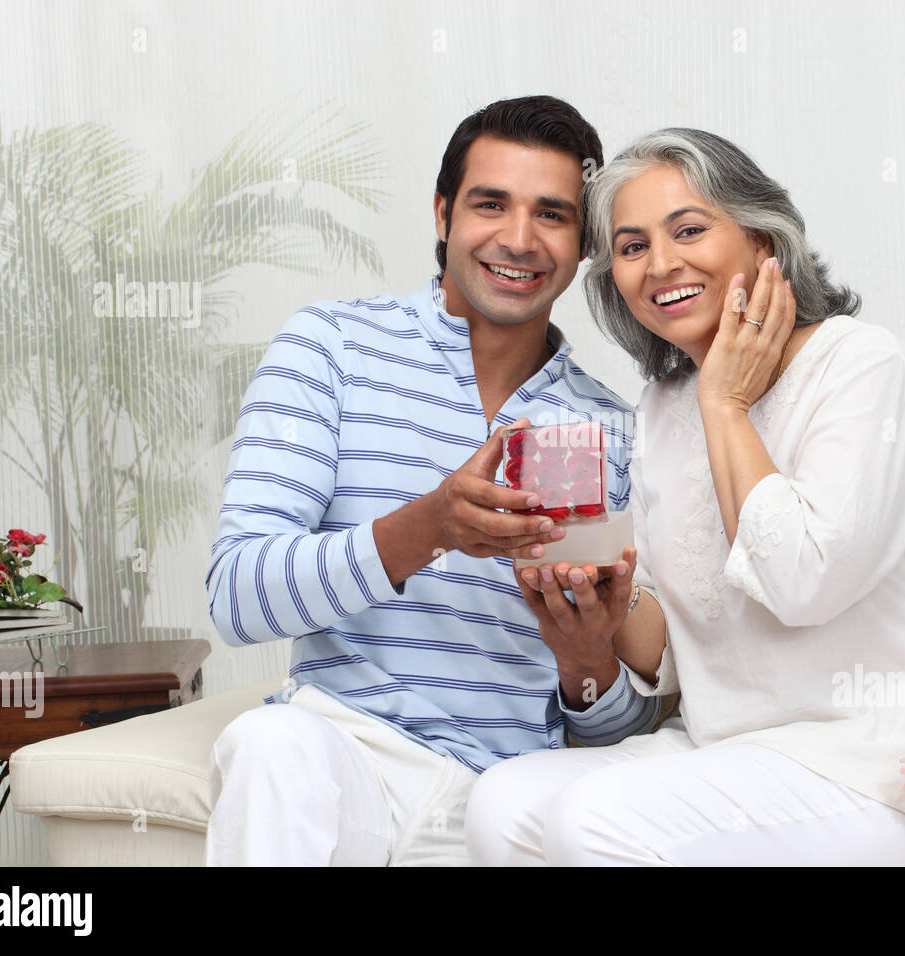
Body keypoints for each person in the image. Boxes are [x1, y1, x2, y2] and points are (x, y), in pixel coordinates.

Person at [464, 128, 905, 866]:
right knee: (503, 802)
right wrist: (597, 601)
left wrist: (726, 404)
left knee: (593, 820)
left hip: (888, 759)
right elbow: (670, 635)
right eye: (632, 245)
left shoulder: (861, 365)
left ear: (762, 242)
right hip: (733, 746)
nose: (662, 263)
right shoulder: (661, 406)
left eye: (688, 230)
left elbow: (803, 583)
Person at [202, 96, 661, 867]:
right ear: (444, 213)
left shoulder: (615, 431)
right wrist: (430, 528)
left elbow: (614, 737)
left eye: (551, 215)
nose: (519, 239)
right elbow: (238, 598)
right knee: (268, 740)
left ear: (584, 246)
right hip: (347, 756)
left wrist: (587, 661)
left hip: (512, 794)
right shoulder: (331, 351)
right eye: (491, 204)